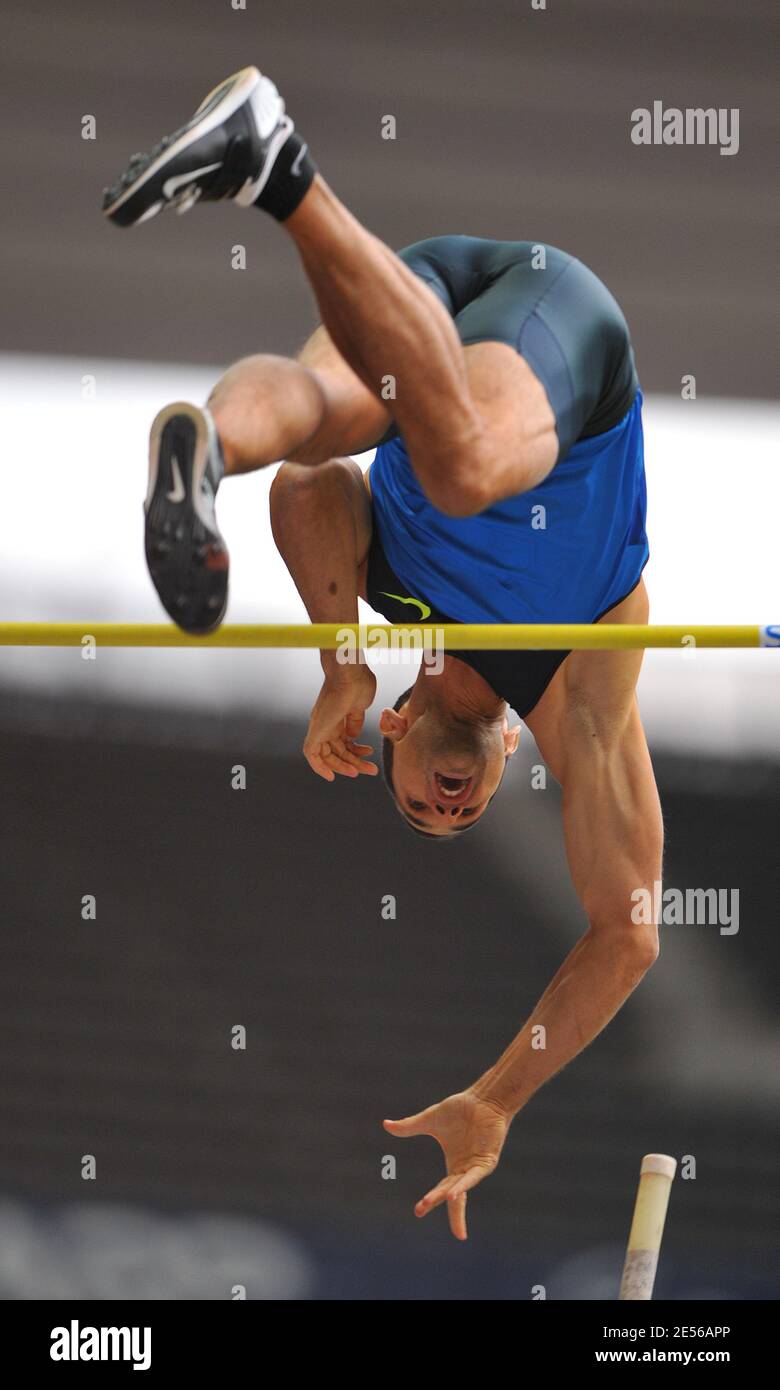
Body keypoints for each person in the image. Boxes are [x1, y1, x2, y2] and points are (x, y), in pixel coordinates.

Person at [104, 66, 663, 1238]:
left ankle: (204, 443)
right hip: (558, 346)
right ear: (507, 759)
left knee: (313, 416)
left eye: (419, 808)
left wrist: (342, 660)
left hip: (433, 311)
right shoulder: (580, 690)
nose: (447, 808)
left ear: (394, 732)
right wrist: (496, 1099)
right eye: (464, 813)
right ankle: (279, 169)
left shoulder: (375, 611)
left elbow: (311, 485)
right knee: (457, 462)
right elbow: (627, 930)